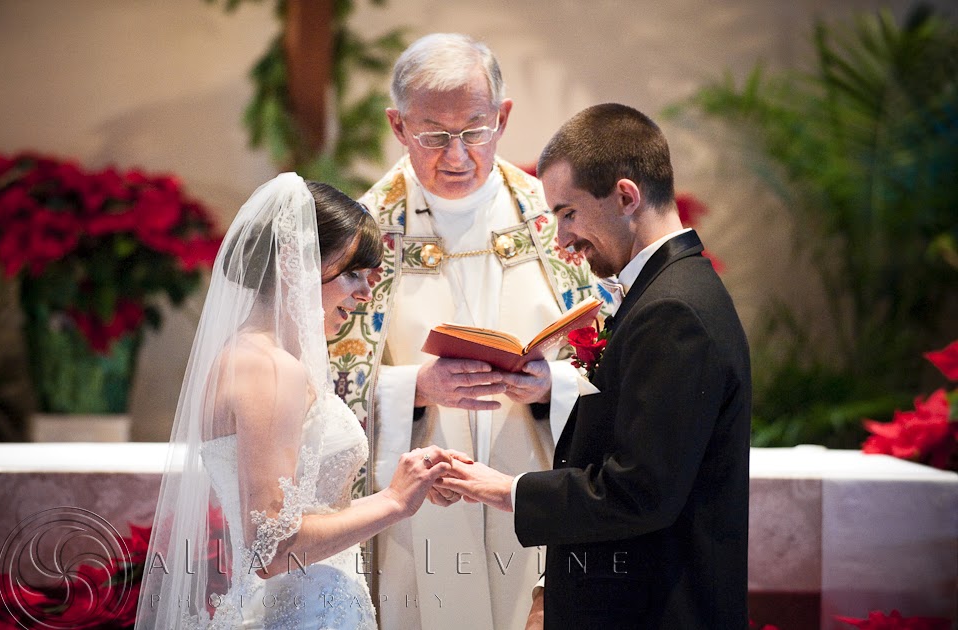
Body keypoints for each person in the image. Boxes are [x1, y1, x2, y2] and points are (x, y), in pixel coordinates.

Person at [437, 103, 752, 629]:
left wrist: (500, 488)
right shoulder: (663, 292)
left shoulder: (674, 310)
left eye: (568, 213)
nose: (562, 239)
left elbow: (638, 491)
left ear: (626, 196)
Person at [330, 33, 606, 630]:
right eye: (433, 135)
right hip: (416, 507)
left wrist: (550, 384)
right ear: (398, 127)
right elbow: (321, 387)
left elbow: (612, 359)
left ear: (502, 118)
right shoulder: (361, 236)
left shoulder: (554, 220)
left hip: (531, 488)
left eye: (474, 131)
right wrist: (415, 388)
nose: (456, 156)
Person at [135, 174, 456, 629]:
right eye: (352, 274)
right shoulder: (270, 369)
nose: (366, 294)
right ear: (294, 262)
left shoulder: (252, 356)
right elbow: (272, 546)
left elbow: (310, 518)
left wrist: (402, 490)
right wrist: (394, 505)